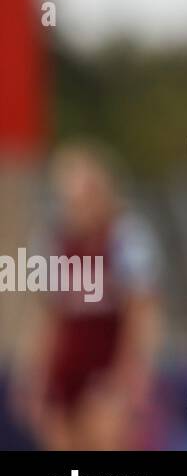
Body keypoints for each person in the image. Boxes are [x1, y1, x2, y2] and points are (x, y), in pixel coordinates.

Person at [10, 140, 164, 450]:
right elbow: (46, 317)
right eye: (70, 200)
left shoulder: (126, 239)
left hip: (106, 369)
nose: (77, 208)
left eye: (85, 197)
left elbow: (142, 316)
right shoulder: (53, 242)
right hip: (65, 370)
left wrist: (129, 382)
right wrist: (32, 378)